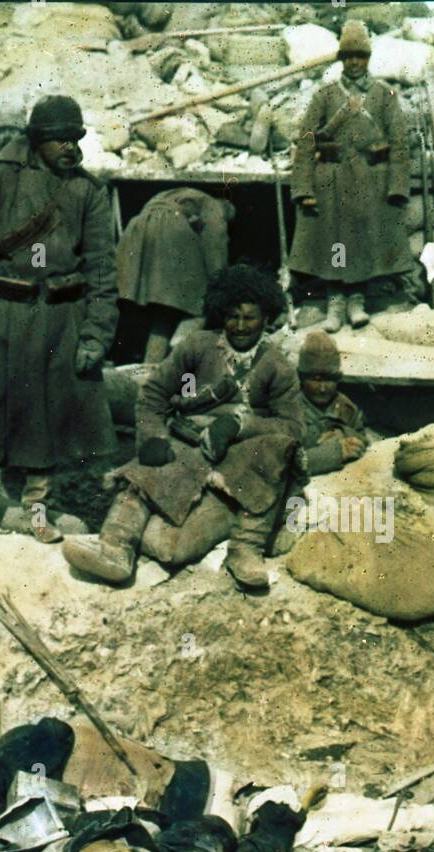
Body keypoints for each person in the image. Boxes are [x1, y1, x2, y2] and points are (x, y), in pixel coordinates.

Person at [0, 95, 118, 545]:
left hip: (59, 318)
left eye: (76, 139)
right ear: (36, 141)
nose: (70, 148)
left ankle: (38, 512)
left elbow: (102, 270)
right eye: (59, 140)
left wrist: (96, 334)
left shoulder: (88, 192)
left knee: (47, 417)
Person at [63, 264, 304, 590]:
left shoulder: (276, 364)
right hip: (193, 440)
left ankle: (246, 550)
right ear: (221, 314)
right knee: (146, 474)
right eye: (233, 316)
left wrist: (239, 425)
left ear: (266, 317)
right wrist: (151, 437)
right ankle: (116, 547)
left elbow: (292, 425)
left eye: (251, 317)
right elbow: (154, 392)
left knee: (274, 458)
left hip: (245, 448)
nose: (241, 326)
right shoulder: (198, 346)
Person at [288, 20, 412, 332]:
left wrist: (396, 186)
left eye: (360, 56)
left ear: (368, 58)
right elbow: (306, 141)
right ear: (341, 60)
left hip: (370, 179)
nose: (355, 63)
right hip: (331, 179)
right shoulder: (326, 96)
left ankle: (357, 300)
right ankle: (335, 301)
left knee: (363, 242)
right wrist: (302, 186)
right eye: (349, 56)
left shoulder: (385, 95)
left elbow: (399, 142)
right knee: (334, 242)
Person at [117, 187, 235, 363]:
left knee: (164, 310)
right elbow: (215, 245)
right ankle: (178, 353)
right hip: (169, 229)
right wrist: (220, 282)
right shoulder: (215, 206)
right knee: (200, 305)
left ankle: (151, 367)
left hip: (138, 231)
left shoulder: (182, 196)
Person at [295, 330, 367, 476]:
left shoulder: (346, 407)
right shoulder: (287, 410)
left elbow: (362, 437)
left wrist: (343, 434)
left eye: (329, 379)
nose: (322, 388)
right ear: (301, 377)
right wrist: (334, 452)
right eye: (316, 379)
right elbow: (280, 464)